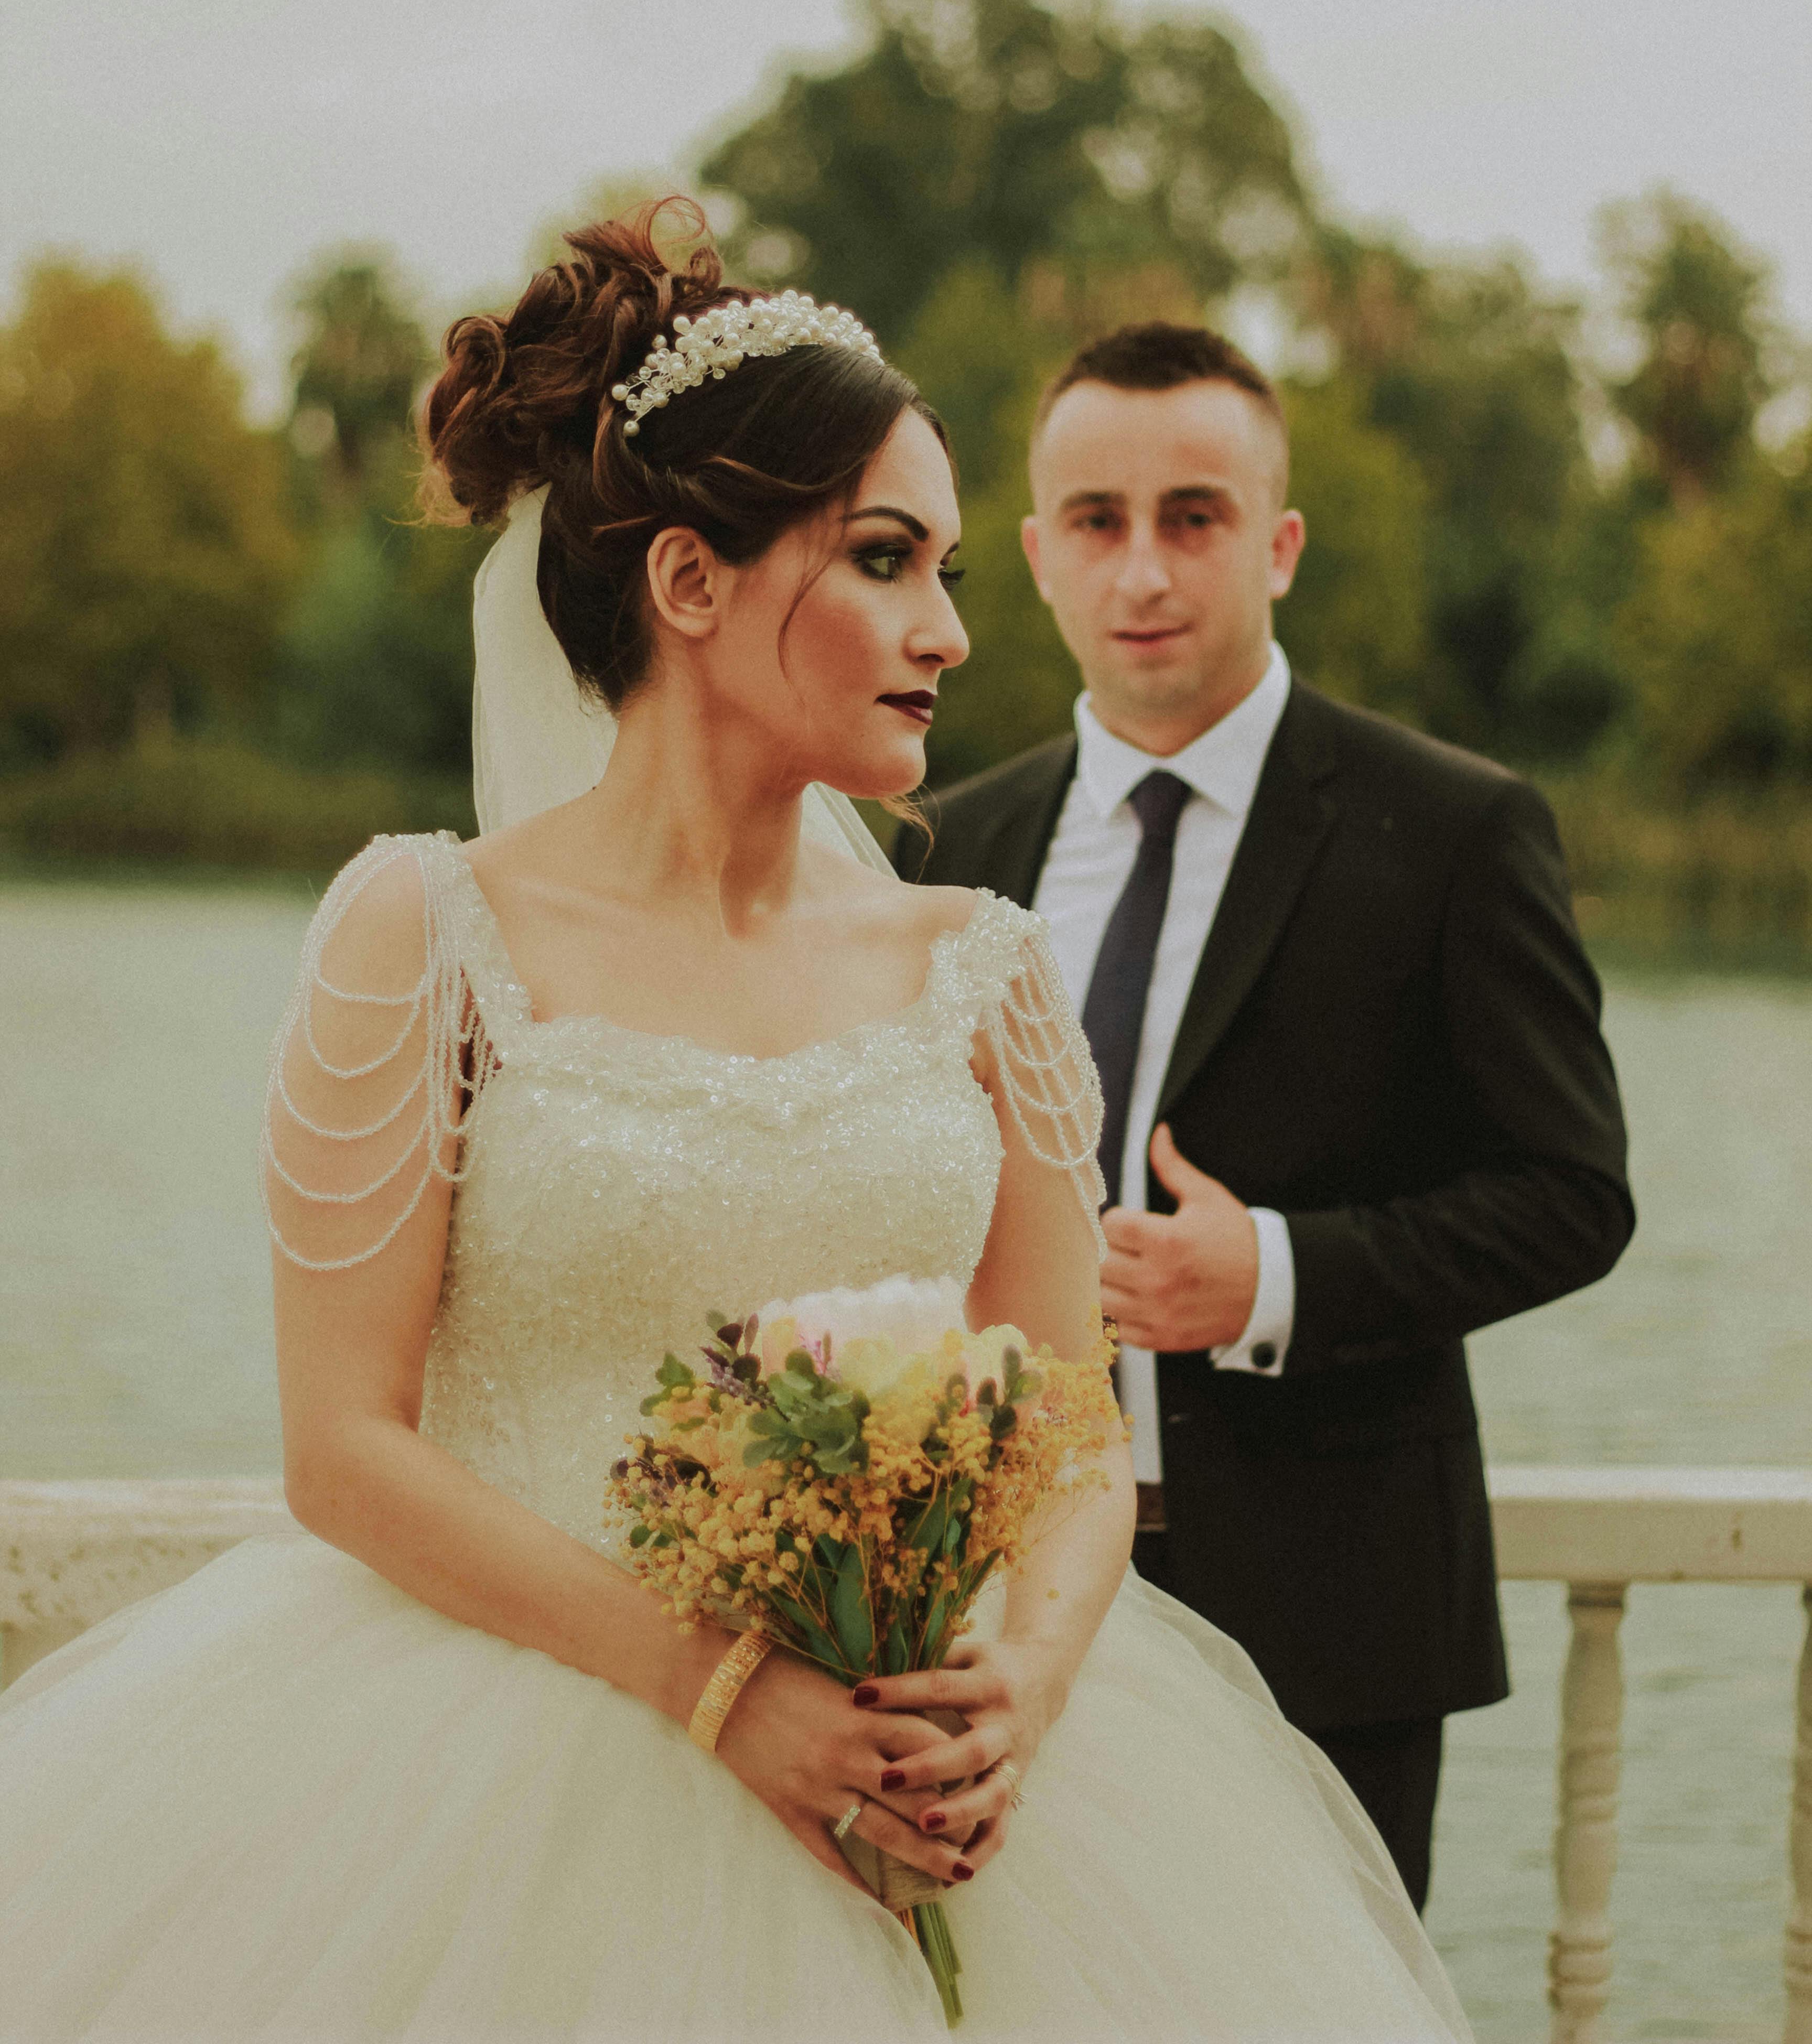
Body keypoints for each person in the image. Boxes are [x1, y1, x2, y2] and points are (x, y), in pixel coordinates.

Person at [0, 215, 1470, 2041]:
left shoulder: (984, 965)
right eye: (881, 560)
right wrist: (722, 1695)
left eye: (942, 564)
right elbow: (344, 1447)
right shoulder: (428, 935)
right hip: (500, 1778)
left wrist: (1021, 1680)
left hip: (931, 1777)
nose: (948, 629)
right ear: (689, 585)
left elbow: (1069, 1418)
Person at [893, 321, 1634, 1911]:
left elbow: (1575, 1189)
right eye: (1097, 522)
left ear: (1279, 544)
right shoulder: (940, 847)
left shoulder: (1455, 829)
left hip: (1332, 1613)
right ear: (1034, 554)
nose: (1143, 572)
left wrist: (1277, 1279)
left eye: (1195, 518)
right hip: (984, 1610)